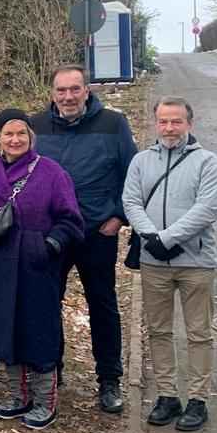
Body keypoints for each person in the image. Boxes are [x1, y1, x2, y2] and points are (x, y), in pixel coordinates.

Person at [0, 109, 83, 430]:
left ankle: (45, 402)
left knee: (37, 331)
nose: (15, 139)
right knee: (2, 330)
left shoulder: (51, 173)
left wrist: (49, 245)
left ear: (30, 137)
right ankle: (19, 397)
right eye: (9, 134)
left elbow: (70, 219)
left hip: (36, 265)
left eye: (21, 133)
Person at [29, 65, 137, 412]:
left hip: (96, 231)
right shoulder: (37, 126)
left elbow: (131, 173)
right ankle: (51, 371)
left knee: (102, 306)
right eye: (61, 90)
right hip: (53, 234)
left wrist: (120, 215)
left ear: (87, 90)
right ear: (52, 93)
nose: (68, 97)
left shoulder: (113, 123)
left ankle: (109, 379)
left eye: (75, 89)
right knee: (46, 304)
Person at [122, 97, 217, 432]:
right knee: (159, 330)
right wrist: (150, 236)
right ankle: (168, 395)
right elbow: (131, 201)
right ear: (156, 123)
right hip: (153, 262)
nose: (169, 128)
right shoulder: (140, 161)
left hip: (195, 260)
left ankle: (198, 399)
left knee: (198, 333)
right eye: (164, 122)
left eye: (176, 122)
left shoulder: (207, 162)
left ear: (189, 124)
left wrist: (167, 238)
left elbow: (207, 209)